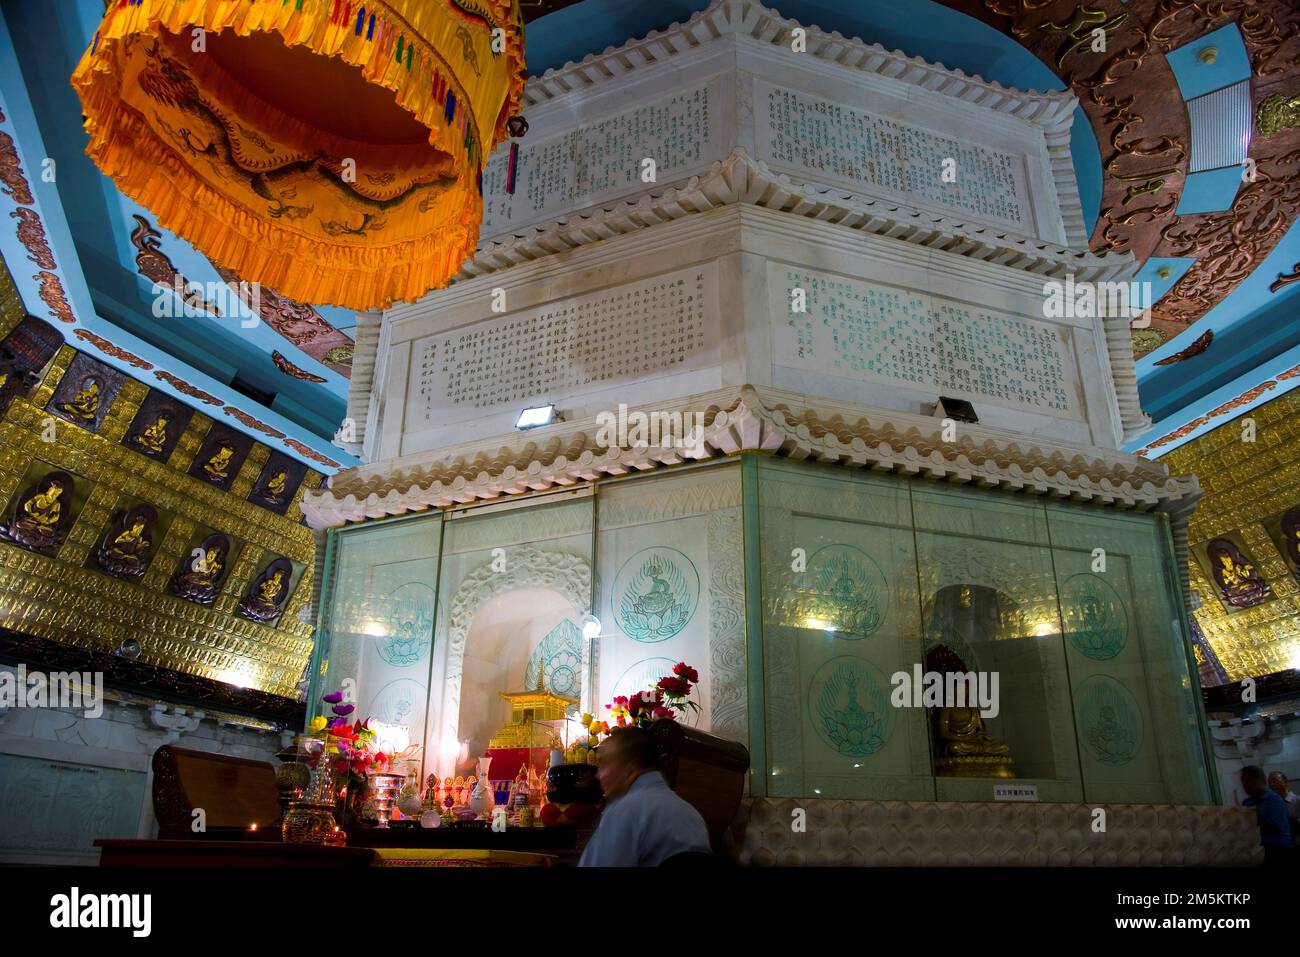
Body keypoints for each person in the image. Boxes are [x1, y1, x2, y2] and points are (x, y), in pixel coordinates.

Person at [578, 726, 712, 867]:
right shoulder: (692, 814)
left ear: (631, 769)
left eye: (603, 764)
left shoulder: (624, 811)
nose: (599, 775)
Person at [1241, 765, 1292, 863]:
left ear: (1258, 781)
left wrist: (1251, 818)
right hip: (1256, 848)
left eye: (1247, 780)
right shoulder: (1247, 802)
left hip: (1277, 849)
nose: (1244, 784)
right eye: (1243, 781)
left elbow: (1277, 828)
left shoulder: (1274, 799)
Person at [1267, 771, 1300, 842]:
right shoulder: (1271, 805)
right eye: (1269, 782)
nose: (1271, 784)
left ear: (1285, 781)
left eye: (1274, 780)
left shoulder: (1297, 801)